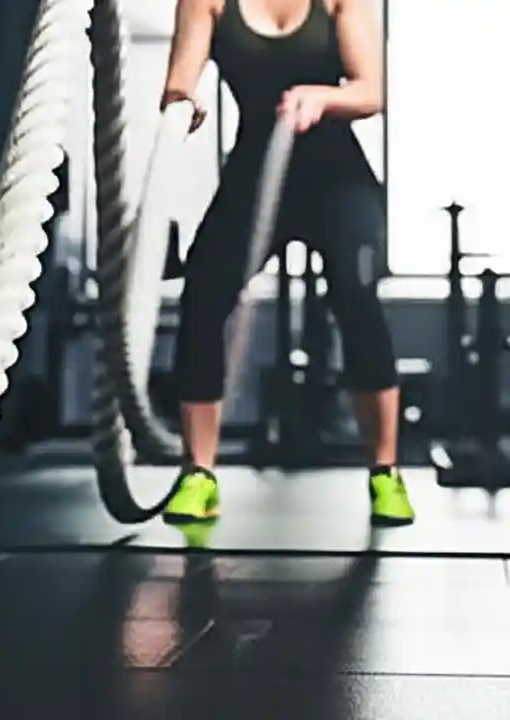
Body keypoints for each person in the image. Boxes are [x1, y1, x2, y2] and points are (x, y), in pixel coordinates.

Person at [159, 0, 415, 526]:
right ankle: (198, 475)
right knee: (202, 294)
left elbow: (372, 91)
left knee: (357, 299)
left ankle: (385, 473)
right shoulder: (206, 2)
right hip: (253, 173)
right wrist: (184, 103)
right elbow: (179, 83)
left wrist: (322, 96)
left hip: (337, 180)